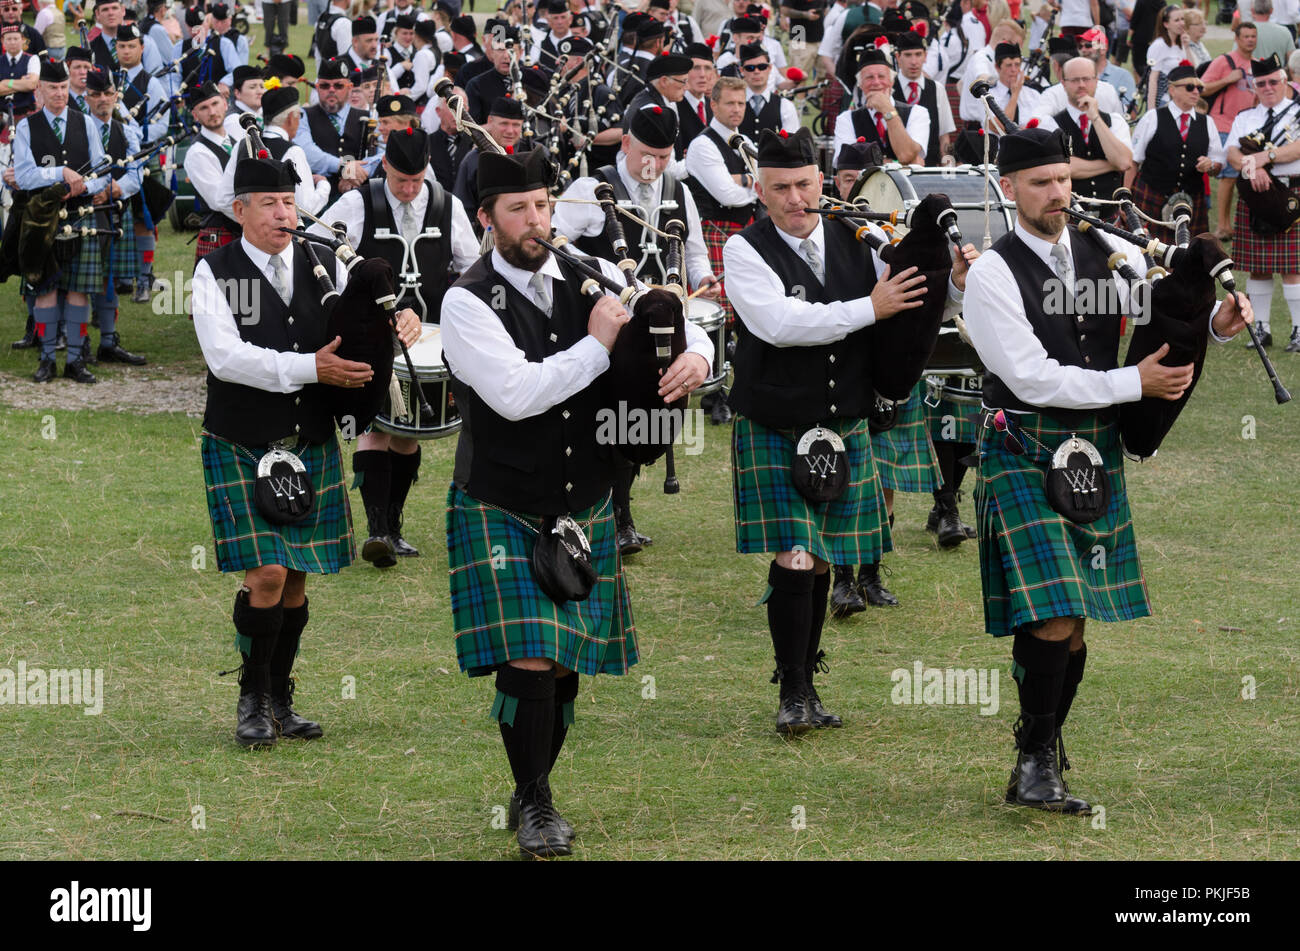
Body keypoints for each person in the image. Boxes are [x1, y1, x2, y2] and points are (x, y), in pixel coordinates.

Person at [962, 124, 1251, 814]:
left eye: (1063, 178)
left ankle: (1043, 748)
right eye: (1041, 183)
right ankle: (1035, 759)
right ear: (1009, 190)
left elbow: (1157, 305)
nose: (1058, 192)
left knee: (1079, 615)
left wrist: (1211, 322)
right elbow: (1031, 378)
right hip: (1025, 447)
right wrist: (1135, 384)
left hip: (1090, 450)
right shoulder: (993, 273)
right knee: (1057, 609)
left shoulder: (1105, 248)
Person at [440, 146, 712, 857]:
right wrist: (596, 347)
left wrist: (697, 356)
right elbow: (516, 393)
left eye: (543, 206)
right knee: (529, 657)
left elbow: (679, 311)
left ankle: (534, 778)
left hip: (584, 495)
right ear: (486, 218)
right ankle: (535, 798)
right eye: (518, 210)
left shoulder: (597, 276)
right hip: (501, 497)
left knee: (562, 664)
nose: (536, 221)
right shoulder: (465, 299)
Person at [724, 126, 974, 734]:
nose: (794, 199)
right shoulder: (743, 251)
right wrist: (870, 308)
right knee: (796, 553)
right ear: (759, 189)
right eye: (779, 188)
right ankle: (793, 689)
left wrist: (954, 280)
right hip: (777, 423)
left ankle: (808, 683)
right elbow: (780, 324)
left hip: (843, 423)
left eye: (804, 184)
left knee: (820, 559)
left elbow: (911, 299)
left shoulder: (856, 238)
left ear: (821, 180)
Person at [193, 137, 421, 748]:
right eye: (268, 203)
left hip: (308, 439)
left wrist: (401, 318)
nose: (282, 216)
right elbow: (225, 358)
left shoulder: (324, 260)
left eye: (289, 202)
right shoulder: (215, 271)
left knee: (295, 579)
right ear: (239, 209)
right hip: (242, 438)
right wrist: (308, 368)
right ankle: (251, 697)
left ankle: (280, 696)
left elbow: (374, 307)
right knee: (265, 574)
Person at [553, 102, 721, 554]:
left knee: (640, 414)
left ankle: (620, 515)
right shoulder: (591, 187)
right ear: (625, 142)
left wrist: (701, 278)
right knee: (605, 415)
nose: (655, 165)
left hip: (659, 325)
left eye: (665, 156)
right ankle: (614, 516)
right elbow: (557, 244)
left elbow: (693, 250)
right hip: (607, 323)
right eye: (647, 153)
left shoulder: (677, 189)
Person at [308, 124, 479, 566]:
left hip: (429, 337)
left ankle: (395, 525)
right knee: (373, 428)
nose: (408, 189)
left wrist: (444, 315)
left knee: (406, 436)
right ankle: (377, 531)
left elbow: (472, 267)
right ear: (384, 166)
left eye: (417, 180)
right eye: (401, 180)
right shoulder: (357, 201)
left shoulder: (447, 205)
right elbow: (331, 260)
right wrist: (372, 307)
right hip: (372, 336)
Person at [16, 59, 111, 385]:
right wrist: (61, 174)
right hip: (43, 220)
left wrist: (88, 184)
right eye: (52, 88)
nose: (59, 93)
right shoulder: (28, 127)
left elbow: (102, 171)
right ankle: (46, 359)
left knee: (78, 291)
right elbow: (25, 177)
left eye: (63, 87)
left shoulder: (85, 123)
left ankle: (74, 361)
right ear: (40, 89)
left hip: (79, 215)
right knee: (45, 290)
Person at [684, 74, 758, 424]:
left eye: (741, 103)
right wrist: (754, 183)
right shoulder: (703, 145)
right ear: (713, 104)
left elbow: (761, 182)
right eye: (729, 103)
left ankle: (743, 389)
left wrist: (747, 182)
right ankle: (714, 397)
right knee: (719, 317)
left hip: (746, 232)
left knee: (746, 312)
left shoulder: (744, 141)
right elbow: (726, 195)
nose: (736, 110)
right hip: (717, 231)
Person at [1226, 53, 1300, 350]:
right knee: (1258, 267)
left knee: (1293, 267)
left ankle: (1298, 330)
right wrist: (1251, 167)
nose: (1268, 87)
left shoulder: (1297, 112)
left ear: (1284, 82)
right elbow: (1231, 153)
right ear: (1253, 86)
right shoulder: (1245, 118)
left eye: (1273, 81)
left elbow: (1297, 149)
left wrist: (1264, 157)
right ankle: (1261, 329)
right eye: (1261, 83)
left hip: (1291, 193)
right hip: (1255, 195)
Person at [84, 67, 147, 367]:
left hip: (116, 209)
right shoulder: (78, 128)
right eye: (96, 94)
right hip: (85, 212)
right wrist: (93, 191)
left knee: (109, 278)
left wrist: (116, 189)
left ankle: (108, 342)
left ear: (115, 95)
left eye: (108, 93)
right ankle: (80, 342)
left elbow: (137, 173)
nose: (103, 100)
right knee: (84, 281)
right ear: (86, 98)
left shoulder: (127, 130)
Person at [1126, 61, 1223, 237]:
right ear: (1172, 90)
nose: (1196, 92)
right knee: (1147, 254)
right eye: (1189, 87)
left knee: (1187, 256)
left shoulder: (1207, 122)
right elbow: (1133, 162)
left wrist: (1210, 165)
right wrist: (1124, 202)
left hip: (1191, 200)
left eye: (1199, 88)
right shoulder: (1152, 118)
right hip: (1152, 196)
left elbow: (1217, 165)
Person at [218, 81, 331, 219]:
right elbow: (305, 208)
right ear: (291, 118)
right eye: (299, 116)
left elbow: (224, 200)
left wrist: (251, 220)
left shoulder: (243, 144)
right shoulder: (293, 151)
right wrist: (323, 185)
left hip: (248, 235)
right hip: (280, 234)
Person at [1037, 56, 1132, 201]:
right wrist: (1111, 165)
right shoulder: (1050, 124)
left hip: (1110, 212)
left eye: (1087, 79)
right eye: (1074, 80)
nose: (1081, 85)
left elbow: (1123, 162)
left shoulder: (1115, 121)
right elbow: (1063, 167)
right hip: (1069, 213)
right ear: (1063, 83)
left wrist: (1095, 118)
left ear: (1096, 81)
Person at [1203, 21, 1259, 239]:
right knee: (1228, 177)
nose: (1250, 40)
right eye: (1245, 36)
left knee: (1247, 175)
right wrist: (1228, 79)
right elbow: (1202, 86)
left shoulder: (1257, 64)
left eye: (1253, 36)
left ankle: (1244, 224)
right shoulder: (1224, 61)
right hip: (1224, 124)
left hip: (1250, 128)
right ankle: (1223, 226)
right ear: (1236, 38)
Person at [833, 47, 928, 165]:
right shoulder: (846, 119)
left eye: (881, 76)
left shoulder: (918, 113)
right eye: (869, 77)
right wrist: (895, 163)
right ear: (860, 84)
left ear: (891, 81)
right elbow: (846, 164)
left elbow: (906, 155)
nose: (876, 82)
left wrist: (887, 109)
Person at [184, 81, 242, 261]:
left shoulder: (235, 141)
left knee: (251, 289)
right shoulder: (197, 153)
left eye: (215, 104)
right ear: (195, 115)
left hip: (242, 229)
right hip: (220, 233)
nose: (212, 112)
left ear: (225, 104)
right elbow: (220, 201)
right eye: (204, 108)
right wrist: (254, 221)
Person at [295, 58, 366, 200]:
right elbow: (306, 152)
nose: (331, 90)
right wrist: (345, 168)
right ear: (317, 87)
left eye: (338, 86)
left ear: (350, 87)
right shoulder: (303, 115)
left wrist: (351, 174)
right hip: (318, 198)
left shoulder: (366, 117)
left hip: (359, 196)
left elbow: (378, 156)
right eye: (324, 86)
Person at [452, 96, 525, 218]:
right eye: (504, 123)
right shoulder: (473, 161)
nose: (510, 131)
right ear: (490, 121)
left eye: (516, 125)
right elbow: (462, 209)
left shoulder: (533, 152)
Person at [895, 28, 956, 164]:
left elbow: (944, 137)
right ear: (898, 57)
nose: (914, 62)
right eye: (908, 55)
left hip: (929, 170)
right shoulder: (889, 89)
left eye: (918, 54)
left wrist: (949, 171)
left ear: (925, 56)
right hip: (895, 170)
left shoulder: (937, 89)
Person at [425, 89, 474, 190]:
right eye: (452, 107)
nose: (458, 113)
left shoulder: (475, 143)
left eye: (462, 107)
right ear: (438, 111)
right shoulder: (425, 144)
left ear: (467, 110)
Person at [0, 23, 40, 120]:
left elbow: (31, 84)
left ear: (22, 40)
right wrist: (22, 84)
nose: (12, 42)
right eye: (9, 39)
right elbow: (27, 85)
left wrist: (5, 83)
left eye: (16, 39)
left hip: (26, 114)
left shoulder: (33, 59)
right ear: (2, 41)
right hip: (1, 116)